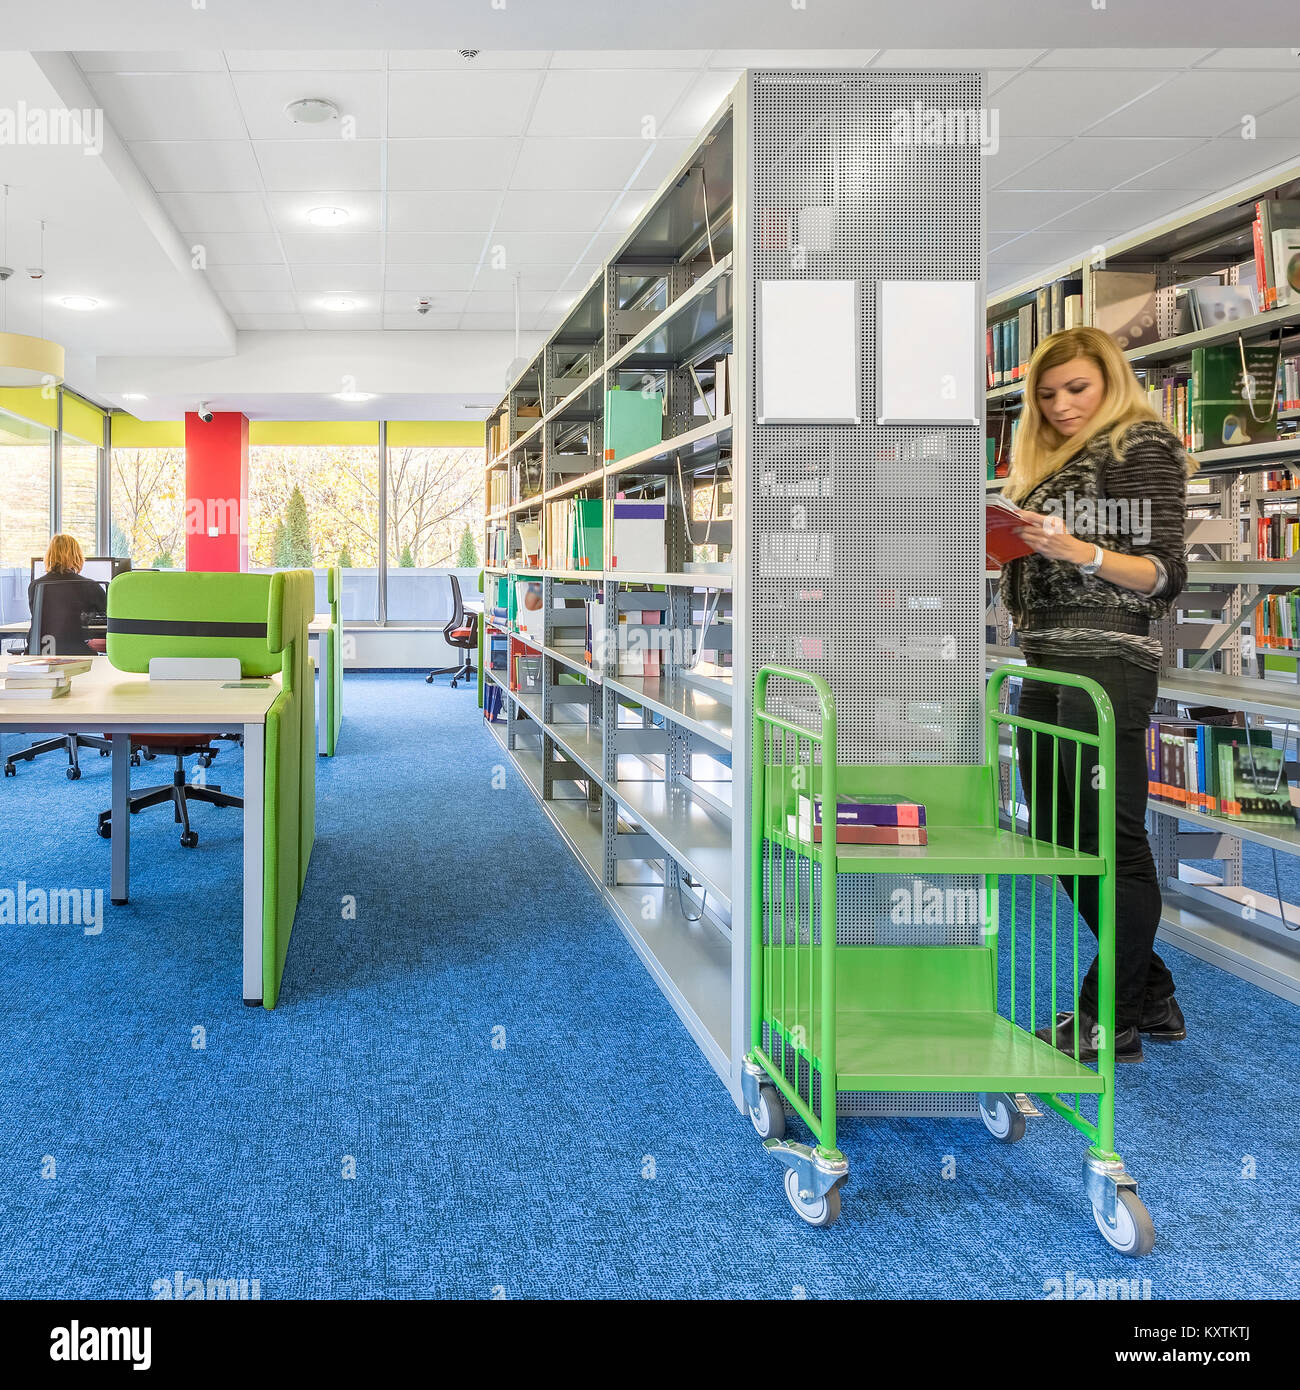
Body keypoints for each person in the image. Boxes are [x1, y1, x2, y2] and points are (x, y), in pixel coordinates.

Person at [998, 325, 1192, 1064]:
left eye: (1076, 388)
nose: (1061, 405)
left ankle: (1108, 1017)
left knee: (1110, 839)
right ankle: (1151, 990)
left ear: (1110, 380)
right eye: (1046, 396)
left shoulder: (1138, 445)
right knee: (1056, 836)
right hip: (1047, 659)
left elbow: (1165, 573)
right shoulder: (1057, 460)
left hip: (1109, 660)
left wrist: (1079, 550)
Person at [28, 535, 107, 657]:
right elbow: (110, 618)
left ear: (49, 556)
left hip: (41, 653)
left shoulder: (36, 585)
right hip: (78, 653)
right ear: (78, 556)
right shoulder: (89, 586)